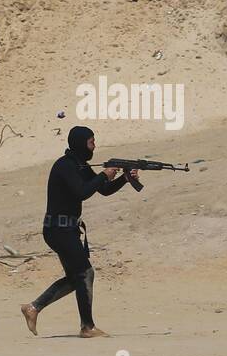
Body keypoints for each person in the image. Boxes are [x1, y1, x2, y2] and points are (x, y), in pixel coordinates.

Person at [20, 127, 139, 338]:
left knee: (77, 278)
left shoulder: (79, 164)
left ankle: (33, 308)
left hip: (67, 229)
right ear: (81, 143)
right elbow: (81, 192)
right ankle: (87, 327)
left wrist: (124, 179)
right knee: (85, 273)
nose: (94, 146)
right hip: (58, 229)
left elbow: (103, 190)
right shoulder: (65, 166)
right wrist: (103, 174)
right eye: (91, 142)